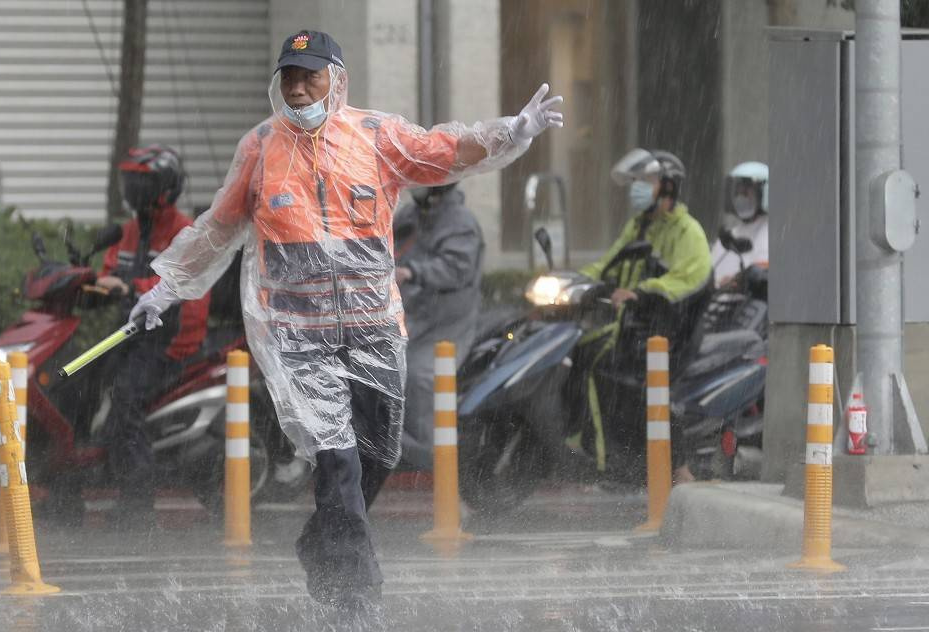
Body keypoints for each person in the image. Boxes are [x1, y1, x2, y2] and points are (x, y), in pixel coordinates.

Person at [128, 30, 562, 612]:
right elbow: (217, 227)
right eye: (289, 76)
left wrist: (512, 131)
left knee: (379, 451)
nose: (299, 87)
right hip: (299, 336)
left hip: (373, 327)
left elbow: (445, 150)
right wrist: (165, 288)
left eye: (310, 74)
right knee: (336, 452)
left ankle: (322, 540)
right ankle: (354, 594)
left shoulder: (375, 136)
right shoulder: (259, 148)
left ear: (336, 77)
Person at [570, 148, 711, 484]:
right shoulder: (639, 226)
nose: (638, 187)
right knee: (594, 366)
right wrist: (574, 282)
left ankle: (680, 471)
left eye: (646, 181)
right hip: (636, 326)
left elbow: (689, 277)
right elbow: (609, 263)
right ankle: (617, 463)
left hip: (674, 329)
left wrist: (642, 291)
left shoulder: (686, 231)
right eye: (635, 181)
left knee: (651, 389)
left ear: (668, 186)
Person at [94, 145, 210, 522]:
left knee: (126, 398)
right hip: (133, 334)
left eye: (142, 183)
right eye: (131, 182)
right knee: (81, 385)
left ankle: (137, 501)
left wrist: (129, 287)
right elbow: (110, 269)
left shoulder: (183, 232)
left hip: (172, 340)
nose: (134, 190)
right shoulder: (129, 231)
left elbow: (172, 286)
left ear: (165, 187)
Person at [393, 183, 485, 470]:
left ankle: (430, 460)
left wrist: (413, 272)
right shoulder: (410, 215)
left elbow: (456, 269)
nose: (413, 185)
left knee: (419, 377)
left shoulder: (460, 222)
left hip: (446, 325)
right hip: (409, 317)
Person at [712, 161, 769, 287]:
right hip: (721, 305)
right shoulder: (730, 236)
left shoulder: (769, 233)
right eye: (737, 193)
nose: (740, 198)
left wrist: (737, 281)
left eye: (745, 193)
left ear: (762, 194)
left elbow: (763, 270)